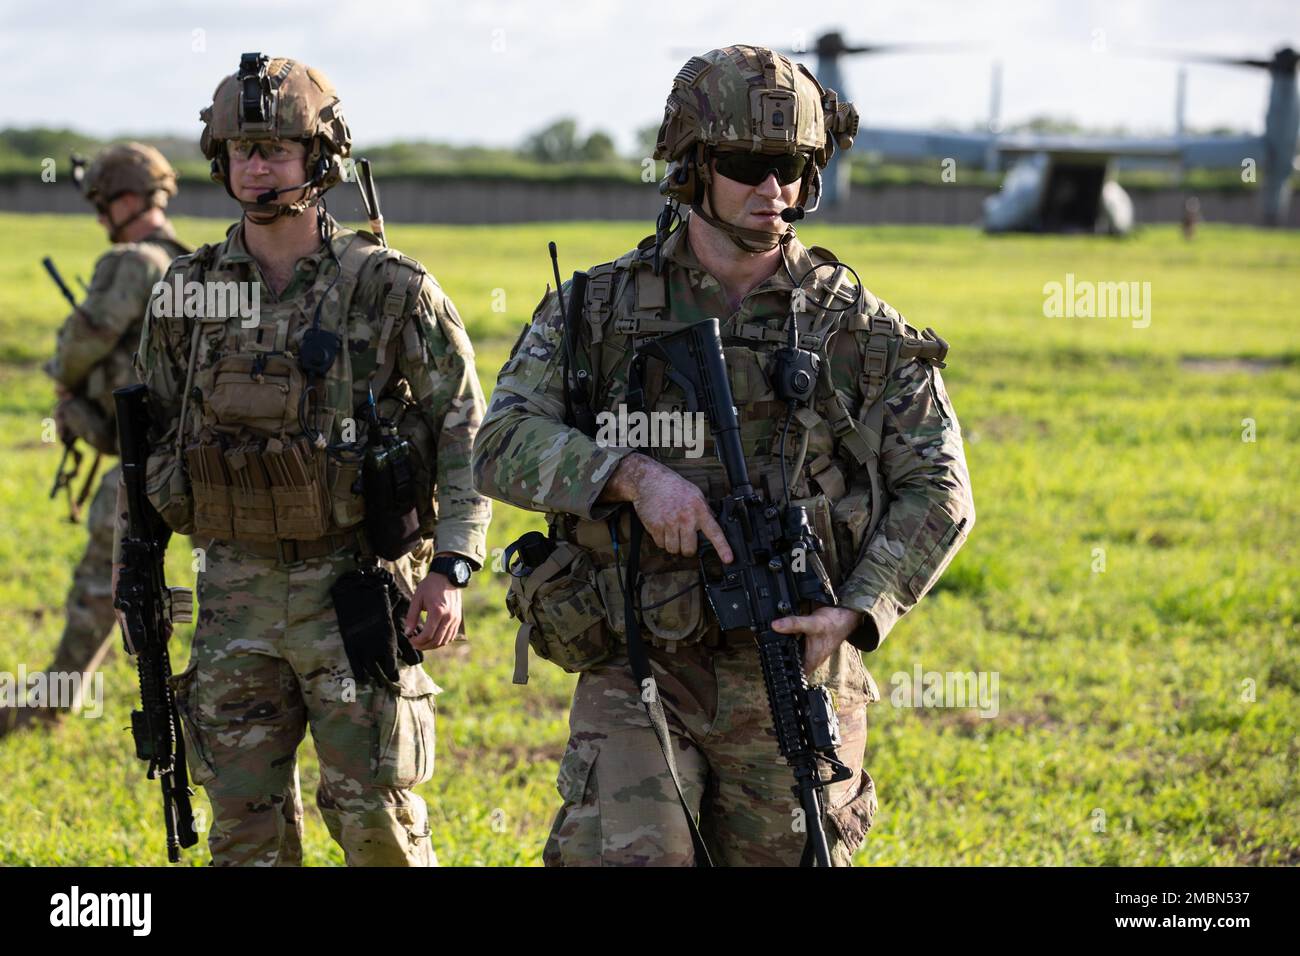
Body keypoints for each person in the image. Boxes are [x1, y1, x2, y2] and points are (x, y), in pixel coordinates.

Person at [473, 45, 974, 866]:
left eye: (794, 165)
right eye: (748, 164)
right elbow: (499, 443)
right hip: (640, 658)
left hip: (789, 664)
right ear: (694, 168)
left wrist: (858, 610)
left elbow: (941, 486)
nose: (774, 190)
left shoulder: (857, 328)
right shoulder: (597, 309)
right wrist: (629, 477)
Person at [118, 53, 490, 865]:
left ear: (319, 159)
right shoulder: (188, 289)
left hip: (353, 586)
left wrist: (452, 564)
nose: (257, 166)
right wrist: (133, 573)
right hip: (233, 594)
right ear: (220, 161)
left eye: (277, 148)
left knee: (376, 817)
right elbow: (144, 442)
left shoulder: (390, 287)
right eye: (242, 150)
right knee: (244, 824)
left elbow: (464, 426)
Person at [0, 144, 189, 740]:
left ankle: (49, 705)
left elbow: (85, 337)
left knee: (101, 582)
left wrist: (63, 378)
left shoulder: (133, 262)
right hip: (198, 454)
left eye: (103, 203)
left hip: (148, 459)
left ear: (127, 199)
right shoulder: (191, 260)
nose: (100, 217)